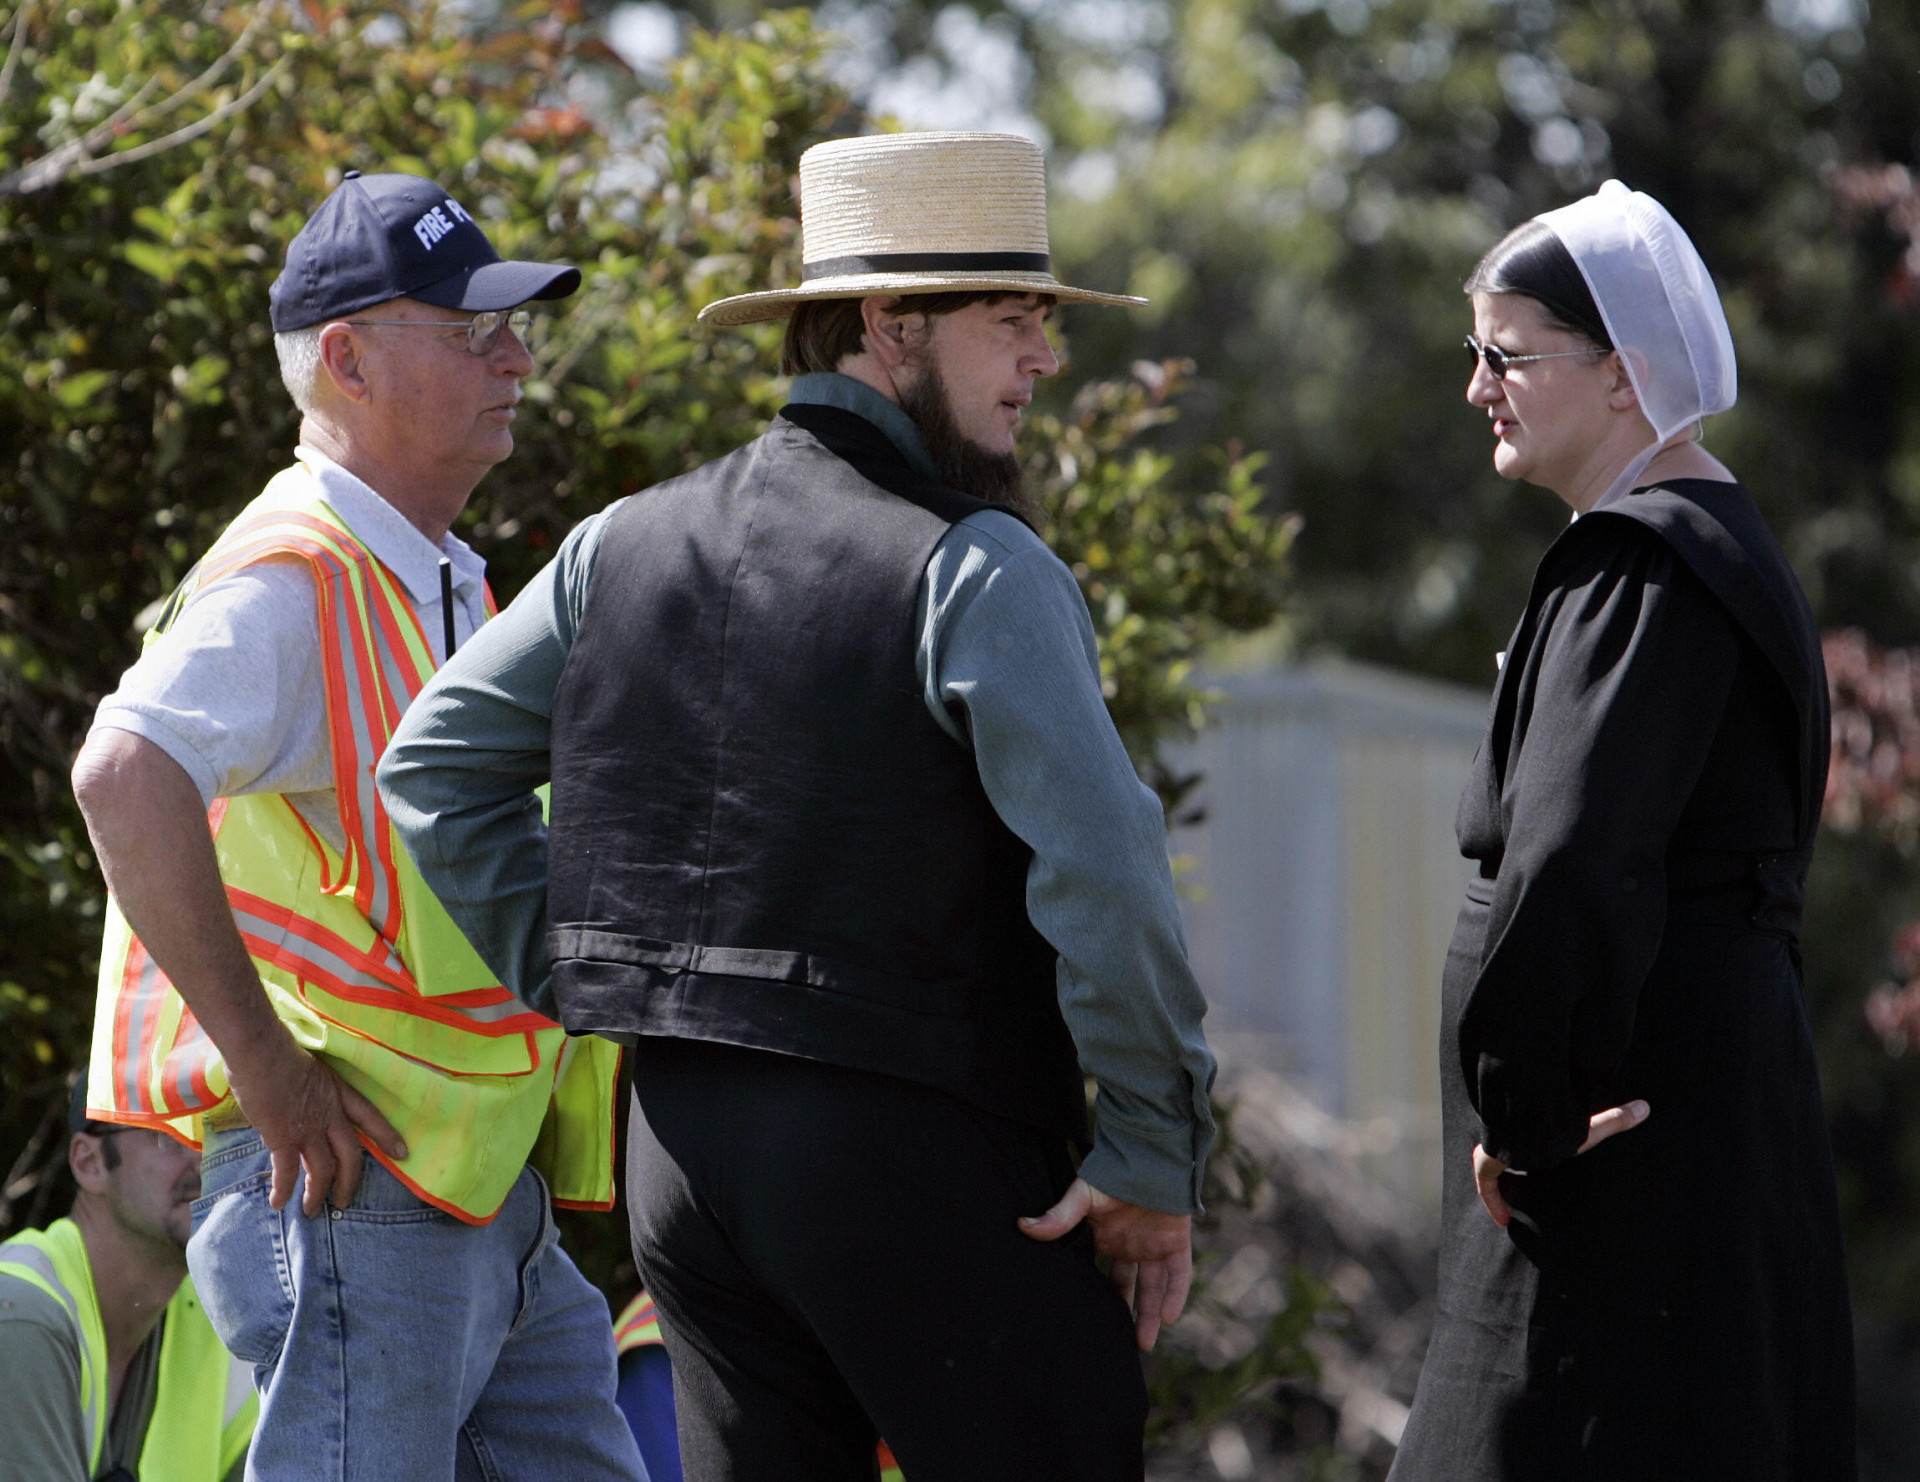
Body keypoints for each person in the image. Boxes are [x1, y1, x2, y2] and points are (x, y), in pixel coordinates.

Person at [378, 130, 1217, 1481]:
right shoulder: (977, 564)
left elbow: (429, 768)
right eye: (1013, 322)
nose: (1044, 361)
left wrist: (592, 972)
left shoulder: (615, 542)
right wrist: (1151, 1147)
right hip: (919, 1155)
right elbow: (1109, 876)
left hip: (685, 1161)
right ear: (890, 324)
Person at [69, 172, 643, 1481]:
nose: (516, 355)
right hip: (351, 1186)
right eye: (469, 328)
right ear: (346, 359)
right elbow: (121, 771)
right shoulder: (292, 575)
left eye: (516, 325)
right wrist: (268, 1073)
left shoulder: (441, 575)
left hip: (467, 1186)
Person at [1389, 181, 1854, 1479]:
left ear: (1621, 374)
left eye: (1508, 354)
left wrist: (1526, 1107)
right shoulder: (1705, 544)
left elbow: (1575, 854)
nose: (1478, 384)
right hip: (1683, 1113)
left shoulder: (1641, 565)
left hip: (1613, 1154)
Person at [0, 1081, 255, 1482]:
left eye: (220, 1133)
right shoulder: (21, 1316)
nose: (204, 1159)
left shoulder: (230, 1329)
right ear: (90, 1163)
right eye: (169, 1134)